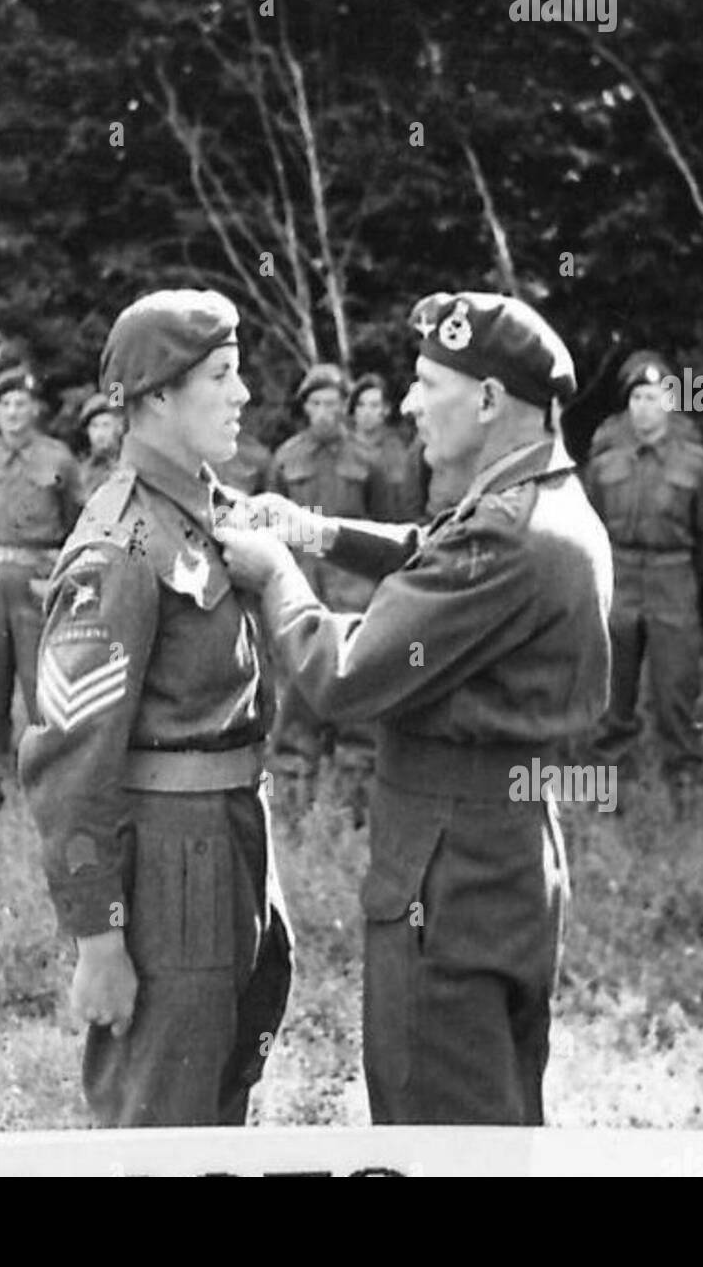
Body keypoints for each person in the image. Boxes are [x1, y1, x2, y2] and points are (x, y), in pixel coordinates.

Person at [215, 290, 610, 1125]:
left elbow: (343, 676)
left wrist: (275, 572)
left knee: (435, 1121)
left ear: (491, 401)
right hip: (503, 851)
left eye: (428, 383)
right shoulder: (539, 500)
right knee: (491, 1109)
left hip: (451, 868)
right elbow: (435, 547)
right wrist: (316, 533)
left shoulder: (506, 534)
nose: (406, 403)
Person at [17, 288, 291, 1127]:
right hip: (170, 869)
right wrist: (99, 938)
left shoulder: (207, 514)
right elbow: (69, 760)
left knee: (223, 1098)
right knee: (161, 1119)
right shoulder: (120, 546)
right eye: (222, 375)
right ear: (157, 396)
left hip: (235, 835)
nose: (243, 394)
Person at [584, 356, 703, 805]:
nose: (646, 407)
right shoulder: (605, 461)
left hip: (672, 579)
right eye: (638, 398)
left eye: (655, 398)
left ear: (670, 404)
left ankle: (684, 780)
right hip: (620, 577)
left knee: (676, 689)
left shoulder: (694, 462)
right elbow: (587, 525)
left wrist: (689, 582)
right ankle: (607, 785)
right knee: (613, 689)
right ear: (629, 406)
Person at [266, 363, 399, 819]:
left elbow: (385, 533)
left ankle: (354, 810)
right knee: (297, 703)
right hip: (300, 592)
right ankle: (291, 806)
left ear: (344, 408)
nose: (324, 413)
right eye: (316, 404)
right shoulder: (284, 459)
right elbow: (271, 533)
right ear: (305, 408)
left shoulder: (369, 461)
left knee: (357, 707)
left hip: (355, 598)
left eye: (332, 404)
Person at [0, 368, 82, 811]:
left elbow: (75, 521)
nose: (14, 412)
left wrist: (54, 569)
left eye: (21, 404)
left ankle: (49, 778)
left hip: (38, 577)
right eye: (5, 404)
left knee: (41, 682)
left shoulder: (59, 459)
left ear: (35, 409)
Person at [349, 372, 421, 521]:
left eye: (374, 405)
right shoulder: (341, 446)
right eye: (361, 405)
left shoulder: (396, 450)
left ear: (386, 410)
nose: (367, 412)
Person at [77, 392, 125, 499]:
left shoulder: (132, 465)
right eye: (94, 426)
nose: (99, 434)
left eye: (106, 425)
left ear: (119, 428)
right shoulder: (81, 475)